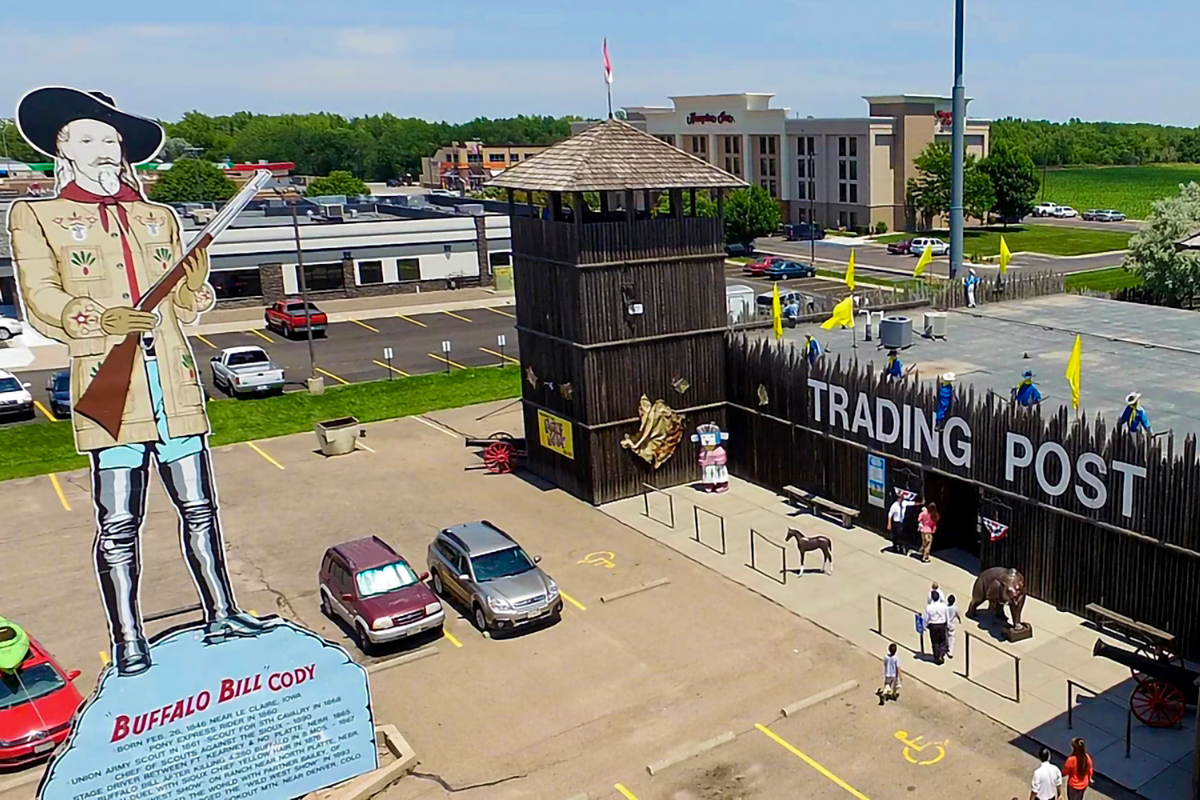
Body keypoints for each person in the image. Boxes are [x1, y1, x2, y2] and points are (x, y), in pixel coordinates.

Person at [7, 87, 268, 676]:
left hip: (171, 383)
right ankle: (128, 639)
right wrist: (98, 318)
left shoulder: (158, 217)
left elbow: (184, 303)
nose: (105, 148)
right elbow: (41, 295)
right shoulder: (37, 216)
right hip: (110, 388)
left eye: (112, 139)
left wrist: (195, 284)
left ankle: (222, 612)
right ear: (62, 148)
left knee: (201, 510)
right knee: (119, 524)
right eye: (89, 138)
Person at [923, 590, 950, 665]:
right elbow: (947, 615)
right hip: (942, 624)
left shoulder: (929, 607)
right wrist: (948, 624)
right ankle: (941, 653)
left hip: (933, 625)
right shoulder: (944, 606)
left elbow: (926, 617)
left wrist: (924, 625)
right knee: (942, 640)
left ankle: (937, 656)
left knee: (935, 642)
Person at [886, 489, 914, 554]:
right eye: (899, 498)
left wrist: (921, 503)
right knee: (895, 535)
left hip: (901, 522)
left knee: (901, 534)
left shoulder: (904, 503)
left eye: (901, 498)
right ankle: (895, 546)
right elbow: (890, 514)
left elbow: (912, 503)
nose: (901, 499)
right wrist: (889, 524)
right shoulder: (894, 505)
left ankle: (901, 546)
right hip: (896, 522)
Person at [946, 594, 962, 659]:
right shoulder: (955, 608)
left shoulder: (945, 608)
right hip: (952, 625)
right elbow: (958, 615)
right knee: (951, 638)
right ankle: (950, 652)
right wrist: (960, 620)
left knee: (946, 636)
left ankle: (947, 646)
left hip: (946, 624)